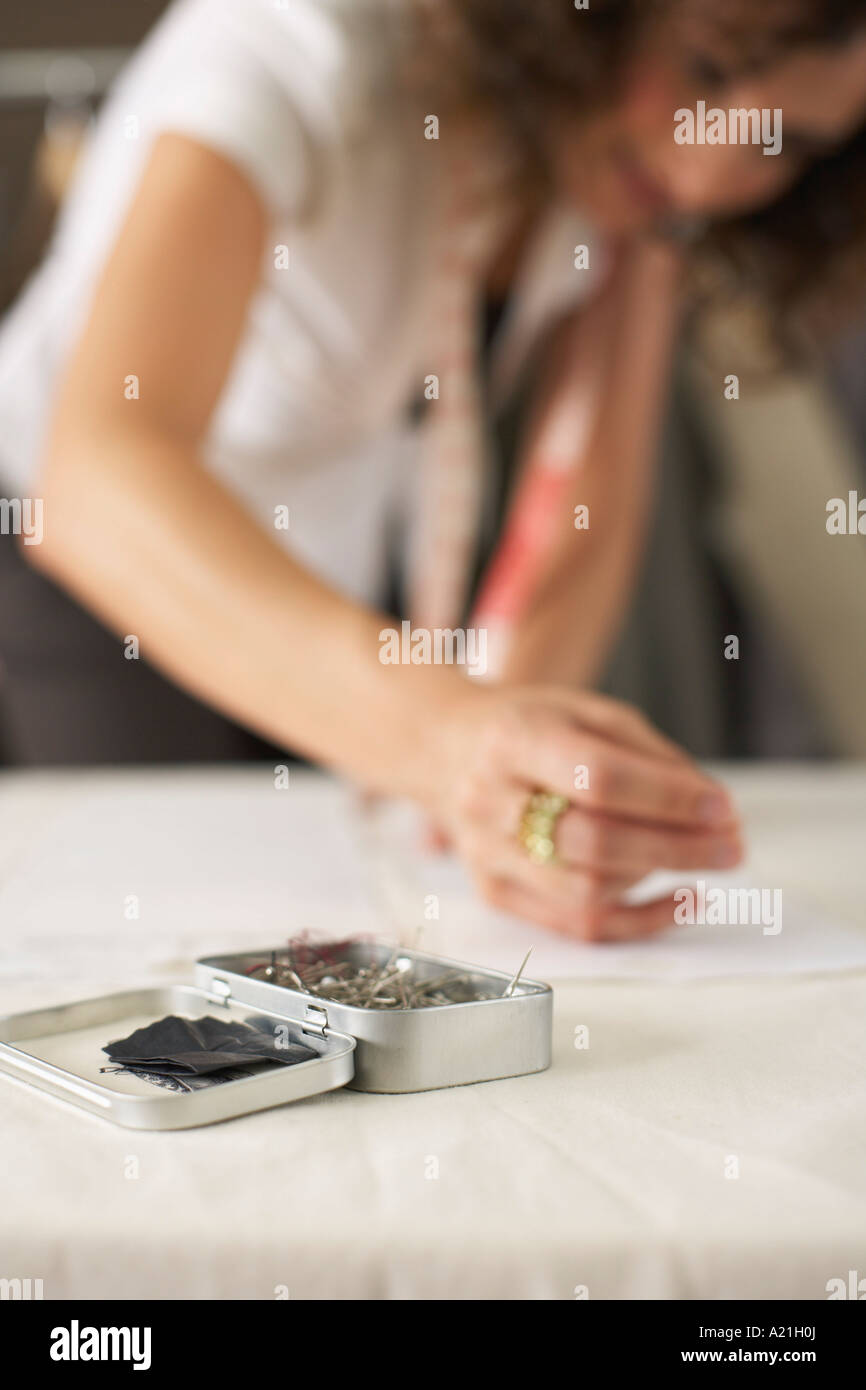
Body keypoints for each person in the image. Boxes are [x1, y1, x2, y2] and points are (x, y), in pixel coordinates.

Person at [1, 0, 865, 940]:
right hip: (99, 572)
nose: (710, 166)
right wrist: (453, 744)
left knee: (338, 927)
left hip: (327, 592)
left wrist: (519, 803)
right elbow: (93, 479)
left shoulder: (634, 181)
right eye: (707, 71)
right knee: (167, 943)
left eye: (784, 140)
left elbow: (584, 512)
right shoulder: (303, 44)